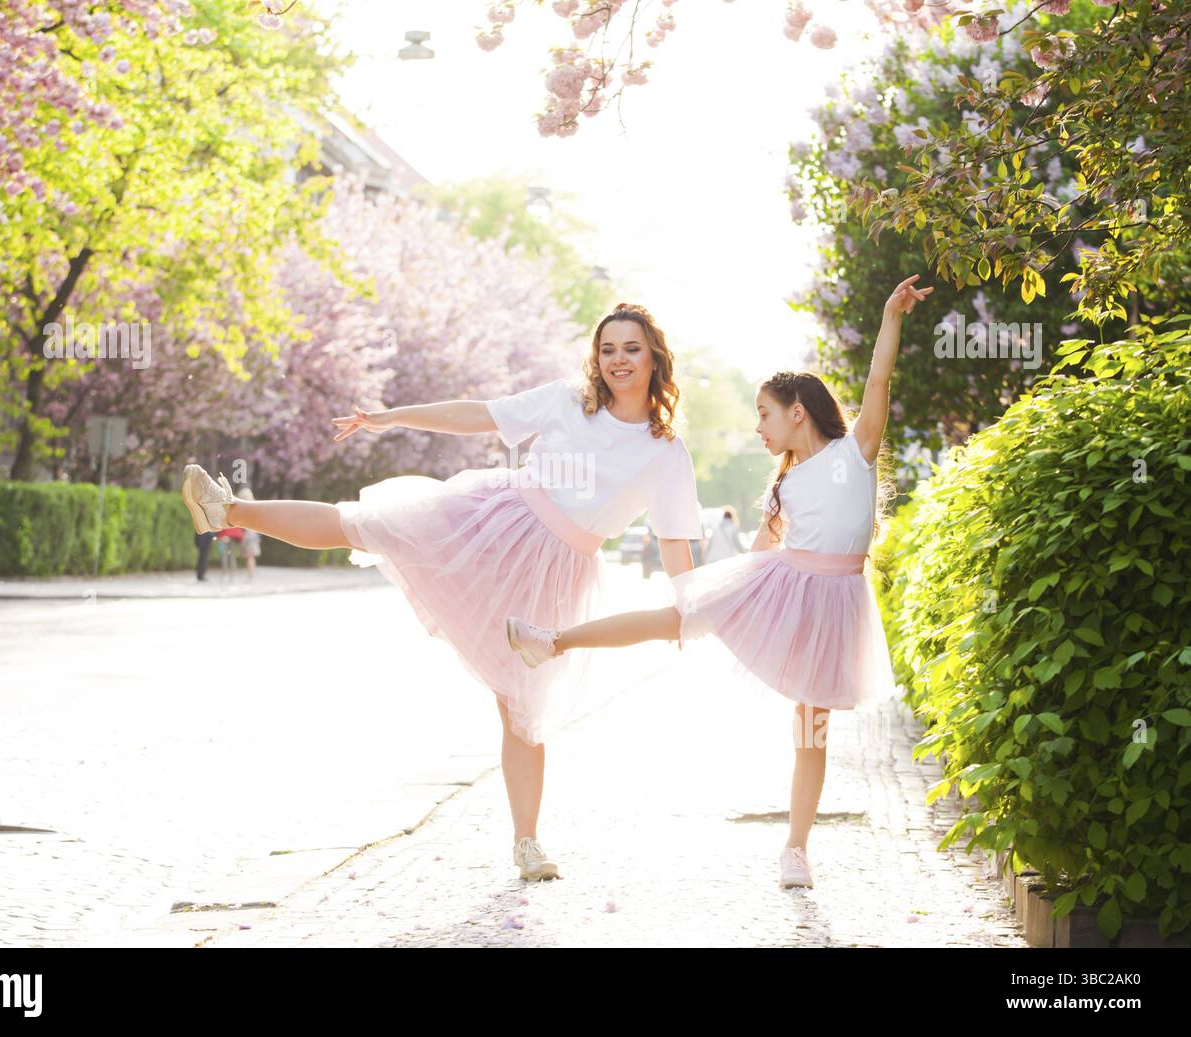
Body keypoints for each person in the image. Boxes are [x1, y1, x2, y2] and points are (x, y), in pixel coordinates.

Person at [180, 303, 702, 881]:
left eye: (631, 349)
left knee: (520, 709)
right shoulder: (565, 400)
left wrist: (687, 607)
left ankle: (526, 843)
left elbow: (675, 540)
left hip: (555, 570)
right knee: (363, 523)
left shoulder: (664, 450)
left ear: (654, 355)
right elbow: (478, 415)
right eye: (607, 349)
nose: (618, 361)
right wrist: (395, 415)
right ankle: (226, 508)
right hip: (495, 519)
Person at [506, 275, 933, 889]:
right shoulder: (784, 484)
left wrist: (892, 316)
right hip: (781, 584)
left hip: (833, 608)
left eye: (763, 414)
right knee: (677, 615)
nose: (758, 428)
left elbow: (877, 383)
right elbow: (764, 549)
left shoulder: (855, 453)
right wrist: (718, 593)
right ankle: (553, 640)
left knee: (811, 731)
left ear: (797, 411)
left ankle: (796, 851)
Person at [234, 487, 261, 580]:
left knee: (249, 556)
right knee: (251, 556)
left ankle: (250, 575)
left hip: (246, 534)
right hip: (253, 534)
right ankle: (251, 574)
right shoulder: (255, 506)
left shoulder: (241, 508)